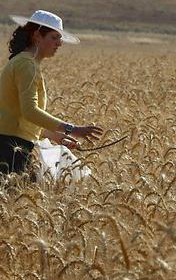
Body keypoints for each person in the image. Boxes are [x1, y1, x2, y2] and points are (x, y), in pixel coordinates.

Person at [0, 10, 103, 175]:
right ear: (37, 36)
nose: (59, 43)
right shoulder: (27, 65)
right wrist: (72, 129)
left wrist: (57, 137)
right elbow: (29, 111)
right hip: (10, 148)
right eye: (54, 37)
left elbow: (20, 119)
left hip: (10, 144)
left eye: (59, 38)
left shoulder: (23, 62)